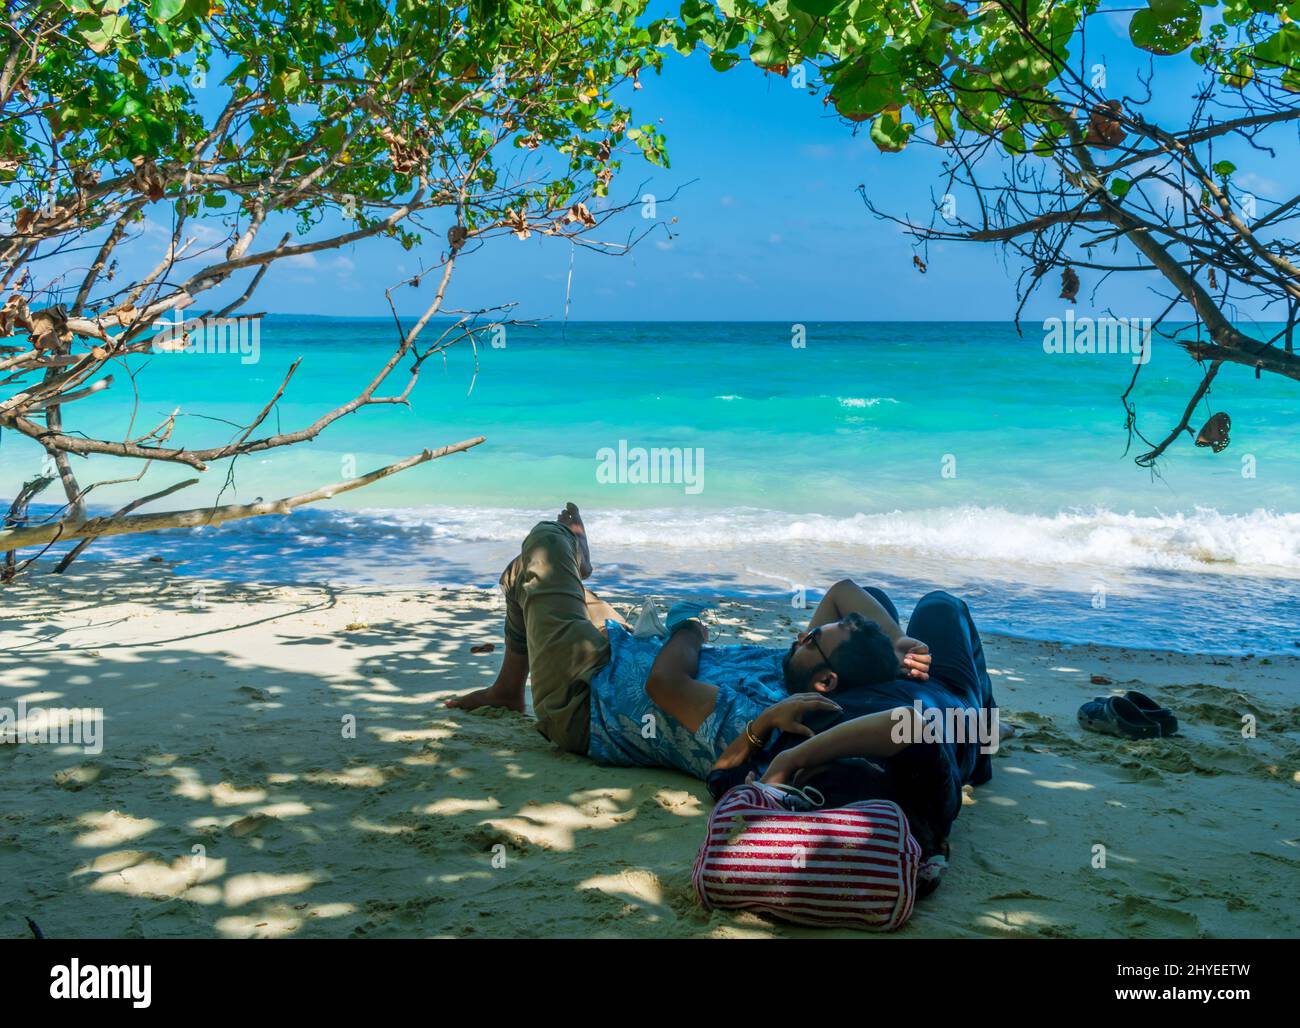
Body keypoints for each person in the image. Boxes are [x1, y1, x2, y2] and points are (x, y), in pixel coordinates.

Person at [448, 504, 930, 779]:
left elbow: (665, 684)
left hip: (584, 698)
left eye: (811, 640)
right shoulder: (798, 666)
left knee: (545, 544)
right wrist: (897, 641)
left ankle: (575, 555)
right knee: (521, 574)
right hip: (621, 649)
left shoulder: (766, 711)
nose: (800, 634)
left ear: (825, 679)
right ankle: (509, 691)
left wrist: (691, 629)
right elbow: (842, 591)